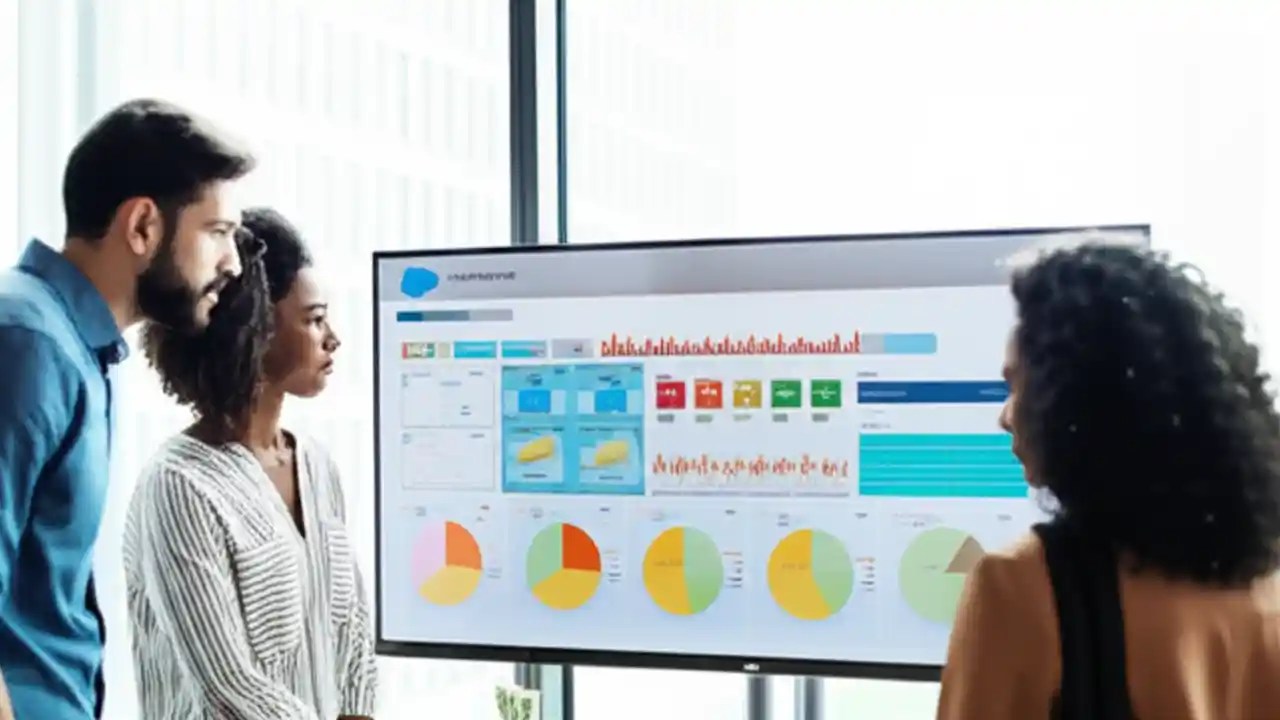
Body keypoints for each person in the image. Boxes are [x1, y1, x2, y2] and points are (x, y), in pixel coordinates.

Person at [937, 243, 1280, 719]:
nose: (1005, 416)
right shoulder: (1267, 582)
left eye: (1019, 386)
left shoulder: (1022, 587)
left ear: (1080, 401)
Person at [0, 98, 254, 719]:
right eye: (217, 232)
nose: (235, 263)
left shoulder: (78, 347)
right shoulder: (29, 344)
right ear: (142, 226)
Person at [123, 207, 377, 719]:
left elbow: (352, 639)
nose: (333, 338)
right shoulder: (180, 486)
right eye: (313, 319)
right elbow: (228, 687)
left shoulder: (318, 467)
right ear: (255, 333)